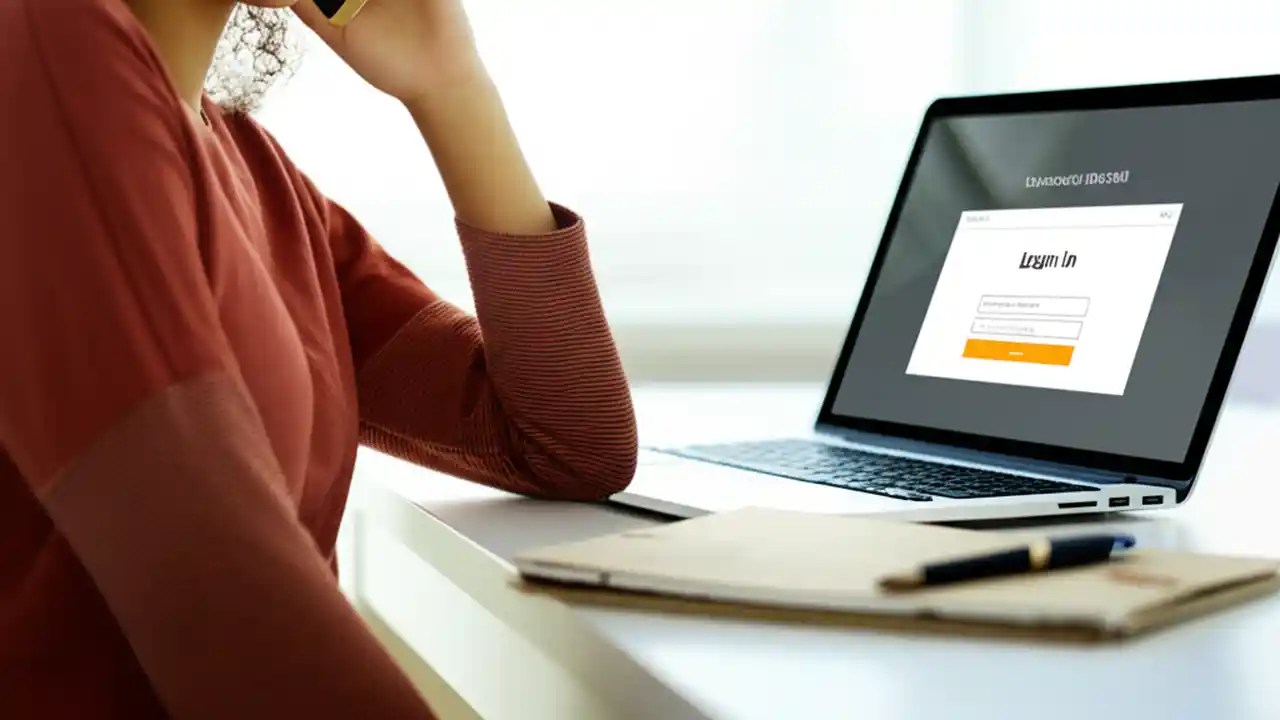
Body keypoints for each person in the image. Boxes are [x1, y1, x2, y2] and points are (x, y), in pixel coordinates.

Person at [0, 0, 638, 717]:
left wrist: (450, 83)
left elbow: (568, 441)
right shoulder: (40, 43)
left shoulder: (258, 174)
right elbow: (219, 588)